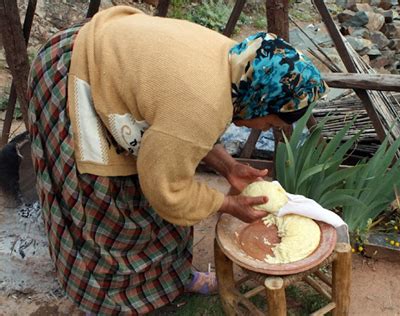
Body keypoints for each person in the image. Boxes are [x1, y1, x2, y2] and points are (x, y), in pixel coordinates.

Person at [27, 5, 326, 315]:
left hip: (110, 58)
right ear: (262, 102)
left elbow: (178, 126)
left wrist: (229, 167)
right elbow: (167, 190)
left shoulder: (242, 66)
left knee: (158, 199)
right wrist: (227, 205)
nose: (266, 129)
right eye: (272, 124)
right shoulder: (203, 104)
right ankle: (109, 302)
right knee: (104, 210)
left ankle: (171, 279)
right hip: (74, 74)